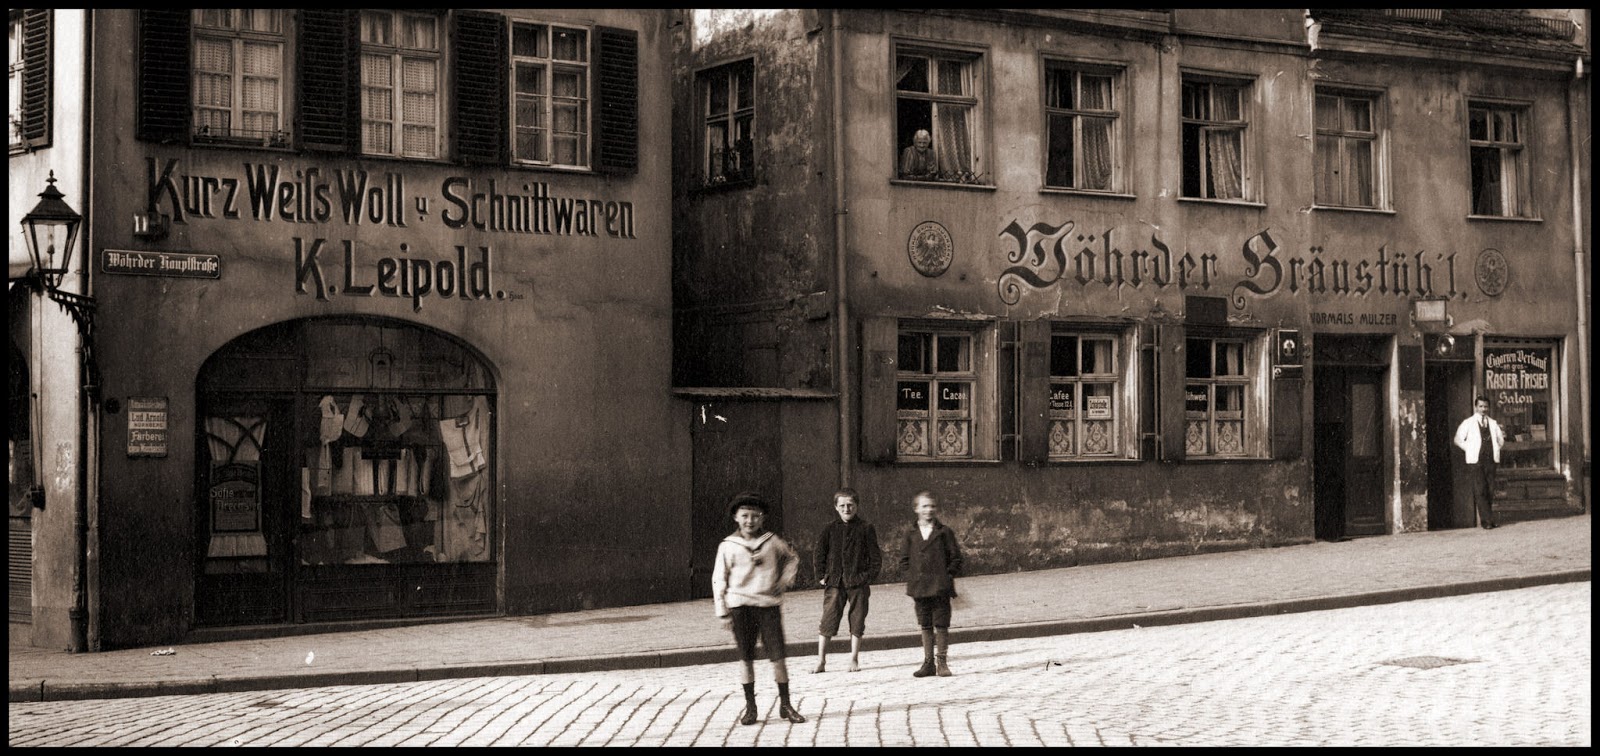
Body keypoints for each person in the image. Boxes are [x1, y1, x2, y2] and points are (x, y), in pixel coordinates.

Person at [712, 492, 806, 725]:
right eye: (745, 516)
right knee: (746, 659)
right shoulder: (728, 546)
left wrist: (785, 580)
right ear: (736, 517)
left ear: (762, 518)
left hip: (768, 607)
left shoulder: (772, 542)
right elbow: (718, 579)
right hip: (740, 607)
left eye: (755, 516)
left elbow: (792, 558)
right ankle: (751, 707)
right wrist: (722, 611)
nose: (750, 521)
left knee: (778, 658)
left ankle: (785, 705)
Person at [812, 488, 883, 674]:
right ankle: (821, 660)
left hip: (858, 583)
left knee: (857, 619)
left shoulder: (866, 528)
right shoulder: (829, 529)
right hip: (834, 582)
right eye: (842, 505)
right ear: (836, 507)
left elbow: (875, 557)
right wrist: (821, 576)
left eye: (850, 505)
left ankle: (854, 658)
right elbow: (819, 553)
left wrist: (867, 577)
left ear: (857, 506)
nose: (847, 508)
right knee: (828, 619)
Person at [899, 490, 963, 677]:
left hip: (940, 587)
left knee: (941, 624)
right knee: (925, 624)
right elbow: (904, 560)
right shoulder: (910, 534)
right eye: (924, 506)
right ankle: (928, 663)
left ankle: (942, 662)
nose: (929, 510)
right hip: (920, 588)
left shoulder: (944, 532)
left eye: (932, 506)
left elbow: (956, 558)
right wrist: (912, 577)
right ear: (916, 509)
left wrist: (946, 575)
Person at [1453, 396, 1506, 529]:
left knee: (1490, 489)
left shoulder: (1493, 423)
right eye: (1481, 406)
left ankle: (1488, 518)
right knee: (1480, 489)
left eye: (1485, 406)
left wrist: (1496, 449)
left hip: (1491, 460)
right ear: (1476, 407)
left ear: (1488, 408)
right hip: (1476, 461)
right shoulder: (1468, 423)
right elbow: (1458, 439)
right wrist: (1469, 449)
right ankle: (1487, 521)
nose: (1483, 409)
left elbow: (1501, 440)